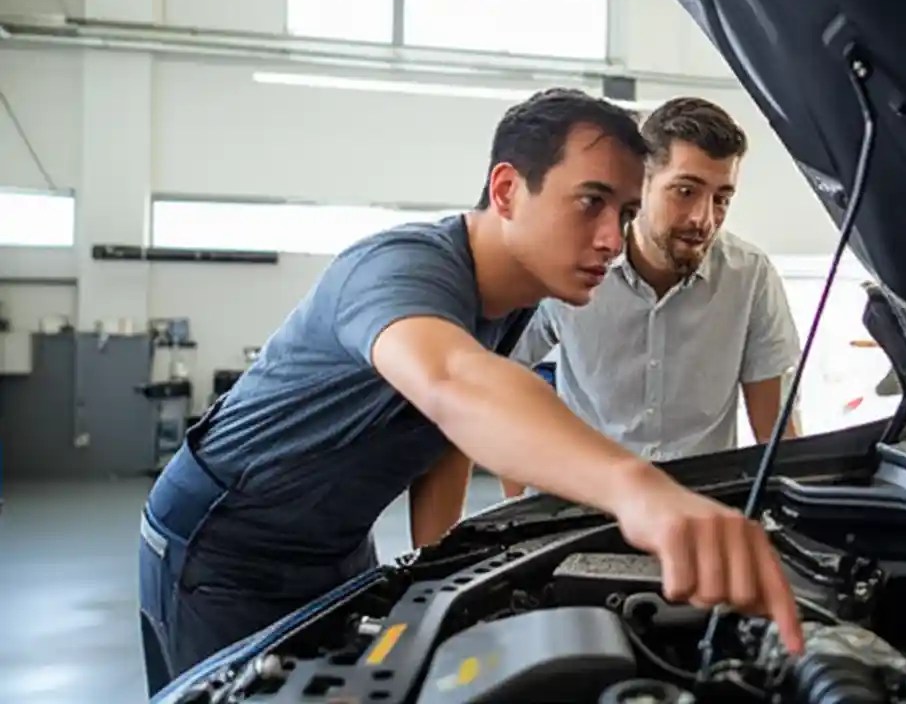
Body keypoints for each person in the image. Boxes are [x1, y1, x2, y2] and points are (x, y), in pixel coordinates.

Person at [136, 88, 802, 696]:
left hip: (335, 545)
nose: (610, 238)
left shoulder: (512, 302)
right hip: (222, 547)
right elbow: (455, 384)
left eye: (625, 211)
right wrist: (642, 489)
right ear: (508, 190)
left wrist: (440, 560)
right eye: (589, 202)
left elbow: (446, 433)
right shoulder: (401, 269)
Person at [499, 96, 801, 498]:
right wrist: (515, 512)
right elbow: (500, 379)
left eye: (721, 198)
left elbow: (777, 432)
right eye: (685, 191)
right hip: (583, 506)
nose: (703, 219)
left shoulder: (750, 277)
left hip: (698, 511)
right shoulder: (574, 261)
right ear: (640, 183)